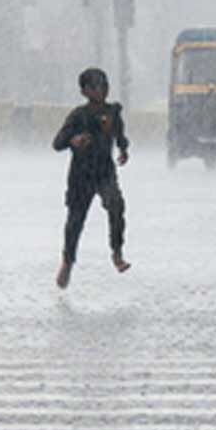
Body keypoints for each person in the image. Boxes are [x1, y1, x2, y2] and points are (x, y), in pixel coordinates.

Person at [52, 68, 131, 289]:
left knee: (116, 205)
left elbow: (120, 136)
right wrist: (74, 140)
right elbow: (57, 142)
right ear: (85, 91)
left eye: (105, 85)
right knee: (76, 220)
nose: (103, 90)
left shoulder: (113, 112)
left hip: (104, 171)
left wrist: (123, 151)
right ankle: (67, 261)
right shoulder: (78, 116)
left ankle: (117, 252)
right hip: (81, 174)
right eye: (97, 86)